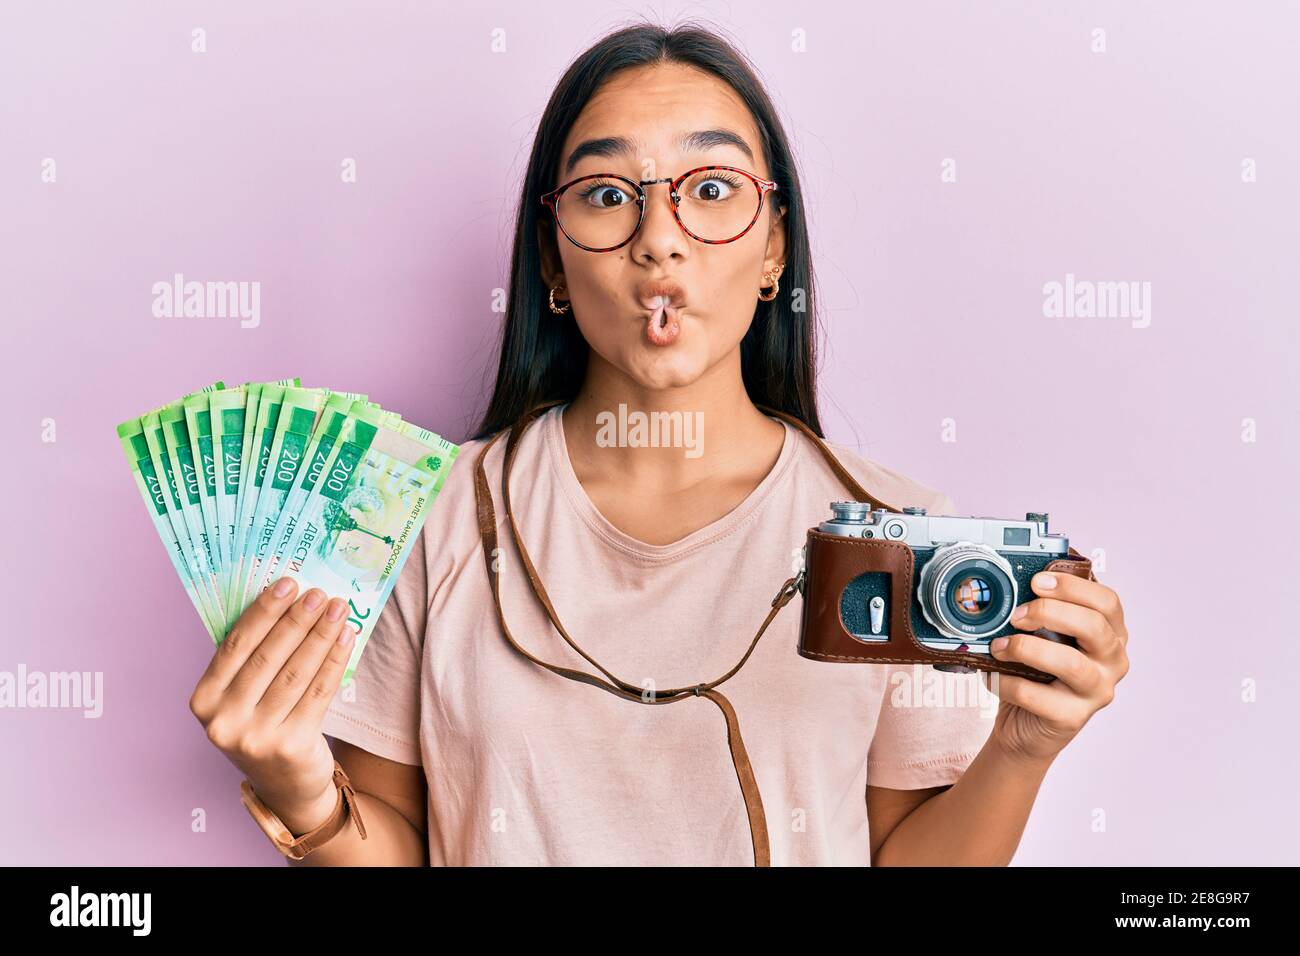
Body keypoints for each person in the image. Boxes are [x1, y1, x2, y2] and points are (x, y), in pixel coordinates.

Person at [188, 21, 1130, 866]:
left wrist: (1021, 748)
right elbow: (393, 847)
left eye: (711, 189)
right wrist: (299, 791)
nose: (660, 241)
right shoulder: (426, 520)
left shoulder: (903, 538)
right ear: (552, 256)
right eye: (607, 195)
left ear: (772, 251)